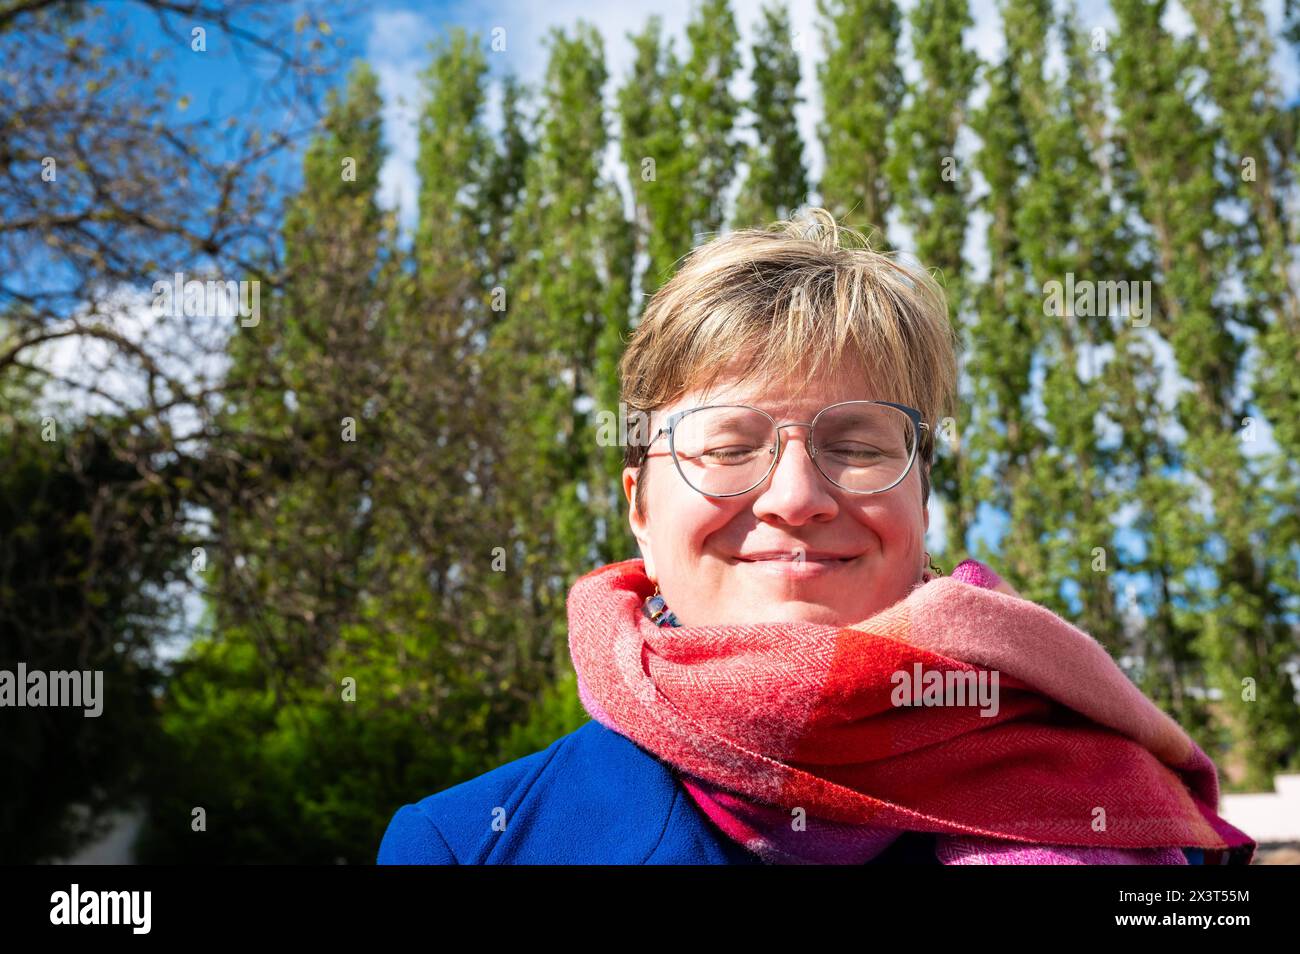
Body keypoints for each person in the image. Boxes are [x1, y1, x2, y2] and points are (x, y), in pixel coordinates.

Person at [377, 208, 1254, 865]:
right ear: (640, 509)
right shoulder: (466, 844)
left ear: (922, 501)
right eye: (728, 446)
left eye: (858, 446)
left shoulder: (1116, 809)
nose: (797, 498)